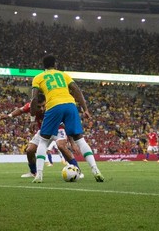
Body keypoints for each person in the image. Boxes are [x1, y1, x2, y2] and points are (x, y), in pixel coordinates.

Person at [30, 55, 104, 183]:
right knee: (80, 139)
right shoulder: (63, 75)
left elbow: (34, 99)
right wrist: (85, 109)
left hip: (54, 106)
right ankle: (95, 170)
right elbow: (76, 89)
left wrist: (32, 118)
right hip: (70, 105)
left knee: (43, 141)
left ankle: (39, 175)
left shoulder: (38, 77)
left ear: (43, 66)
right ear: (55, 64)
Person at [1, 101, 81, 178]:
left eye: (43, 106)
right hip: (44, 131)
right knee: (30, 150)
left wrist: (73, 143)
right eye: (39, 107)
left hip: (58, 129)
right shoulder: (31, 106)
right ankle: (33, 172)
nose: (42, 109)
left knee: (61, 146)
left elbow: (66, 125)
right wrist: (9, 116)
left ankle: (77, 170)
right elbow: (20, 110)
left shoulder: (53, 106)